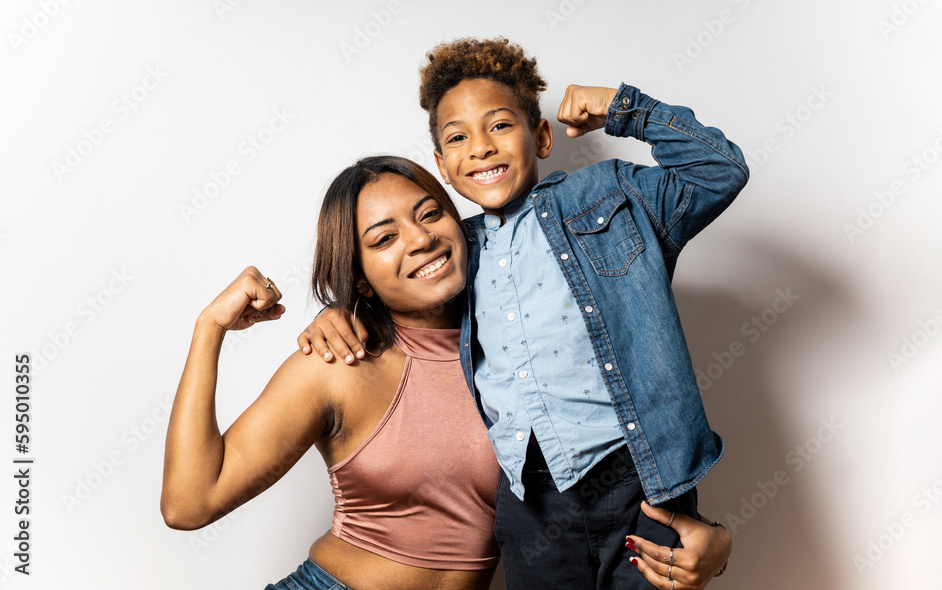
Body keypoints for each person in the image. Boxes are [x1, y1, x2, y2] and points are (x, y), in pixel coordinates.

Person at [299, 38, 748, 590]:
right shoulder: (453, 251)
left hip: (638, 481)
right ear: (442, 166)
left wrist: (625, 108)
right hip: (530, 501)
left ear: (540, 136)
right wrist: (337, 314)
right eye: (457, 137)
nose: (481, 148)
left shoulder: (608, 196)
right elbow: (399, 302)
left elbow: (719, 172)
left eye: (500, 125)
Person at [161, 156, 503, 590]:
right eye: (384, 239)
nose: (421, 239)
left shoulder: (522, 350)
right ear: (361, 281)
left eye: (431, 214)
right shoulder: (338, 363)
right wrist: (209, 328)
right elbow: (189, 505)